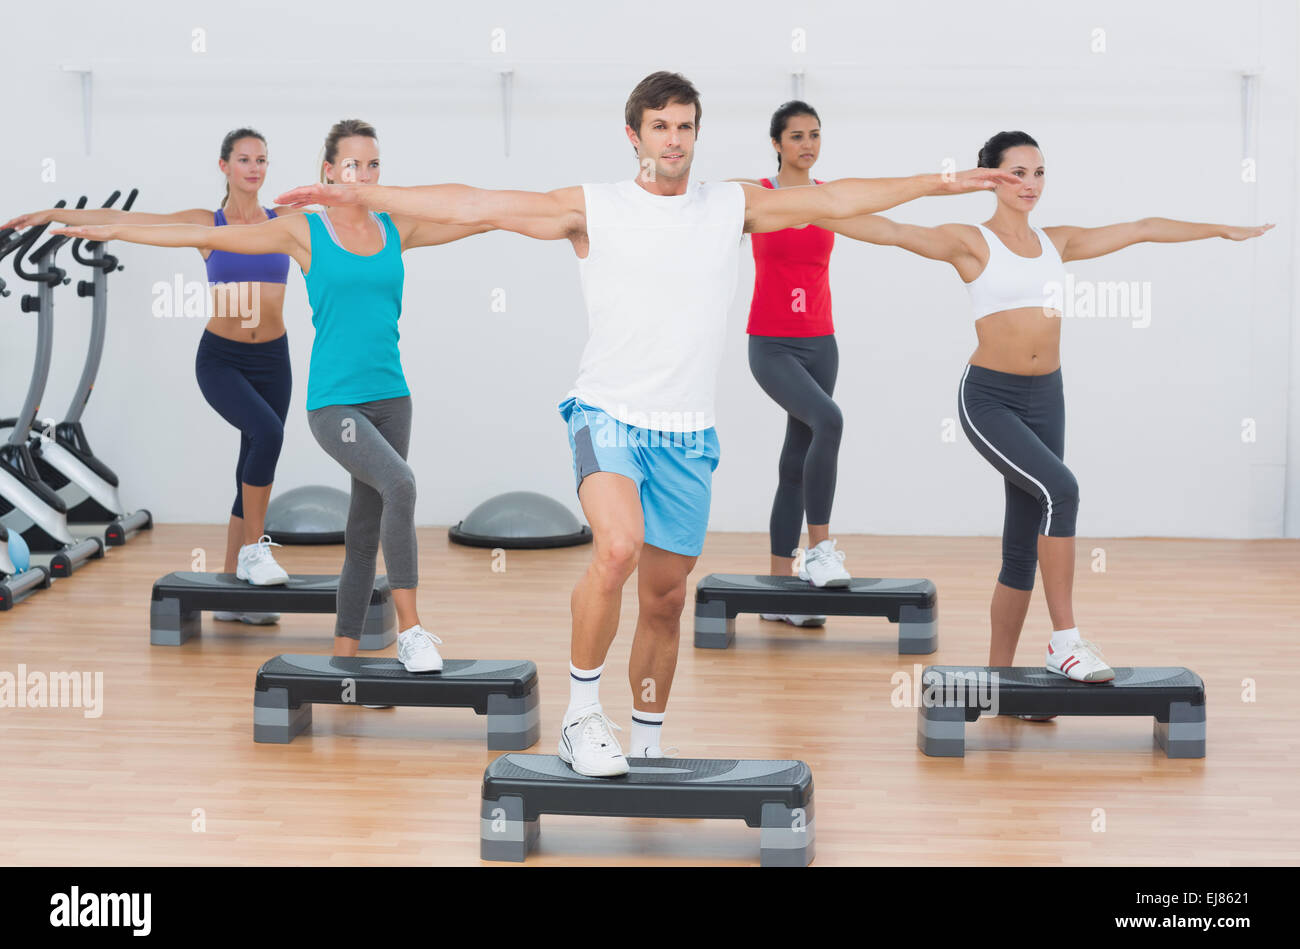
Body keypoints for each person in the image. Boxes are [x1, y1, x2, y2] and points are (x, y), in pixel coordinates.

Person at [272, 72, 1016, 773]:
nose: (673, 140)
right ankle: (582, 715)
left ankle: (650, 743)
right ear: (633, 134)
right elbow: (477, 203)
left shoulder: (732, 205)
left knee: (665, 599)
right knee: (617, 549)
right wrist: (361, 193)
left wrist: (947, 180)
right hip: (607, 416)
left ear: (696, 134)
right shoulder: (593, 206)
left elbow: (840, 200)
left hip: (688, 435)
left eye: (684, 127)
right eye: (659, 126)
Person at [813, 130, 1273, 692]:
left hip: (1047, 398)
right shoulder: (971, 242)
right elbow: (887, 231)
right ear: (990, 177)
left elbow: (1144, 228)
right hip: (989, 398)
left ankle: (997, 681)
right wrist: (803, 206)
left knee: (1020, 544)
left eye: (1038, 172)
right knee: (1063, 489)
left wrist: (1221, 230)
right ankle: (1065, 641)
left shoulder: (1059, 243)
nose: (1030, 184)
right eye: (1017, 173)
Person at [52, 118, 494, 672]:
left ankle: (343, 663)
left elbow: (469, 212)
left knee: (362, 534)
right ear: (328, 171)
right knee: (399, 482)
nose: (363, 174)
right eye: (351, 165)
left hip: (391, 397)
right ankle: (413, 631)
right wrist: (103, 227)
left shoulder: (393, 227)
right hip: (335, 403)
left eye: (373, 164)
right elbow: (200, 235)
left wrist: (541, 217)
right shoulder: (304, 230)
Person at [5, 128, 300, 622]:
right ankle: (255, 552)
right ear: (224, 166)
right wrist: (58, 215)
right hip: (223, 358)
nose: (254, 168)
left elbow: (343, 224)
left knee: (252, 459)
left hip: (275, 358)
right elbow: (131, 220)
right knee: (267, 433)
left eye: (262, 160)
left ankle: (233, 596)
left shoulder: (285, 222)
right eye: (244, 159)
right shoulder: (208, 223)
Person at [730, 101, 848, 630]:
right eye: (796, 135)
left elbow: (880, 222)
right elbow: (701, 201)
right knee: (829, 420)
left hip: (821, 342)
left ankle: (779, 593)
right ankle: (820, 552)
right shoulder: (756, 195)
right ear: (776, 142)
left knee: (795, 459)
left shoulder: (828, 197)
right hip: (772, 345)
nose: (807, 143)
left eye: (814, 134)